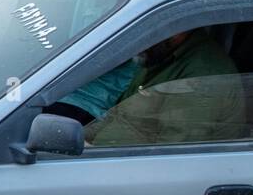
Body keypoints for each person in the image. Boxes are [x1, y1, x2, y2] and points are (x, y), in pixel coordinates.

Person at [85, 29, 244, 146]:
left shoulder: (200, 78)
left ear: (176, 31)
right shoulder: (159, 53)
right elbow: (118, 112)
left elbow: (172, 153)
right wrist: (81, 138)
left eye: (147, 31)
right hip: (105, 152)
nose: (138, 42)